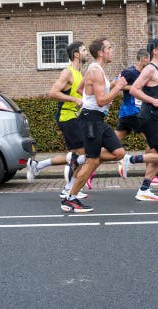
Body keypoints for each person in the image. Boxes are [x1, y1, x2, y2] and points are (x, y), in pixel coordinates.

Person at [61, 38, 127, 213]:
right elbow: (101, 101)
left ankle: (79, 159)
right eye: (109, 48)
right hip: (90, 120)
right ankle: (71, 199)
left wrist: (100, 98)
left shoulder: (97, 71)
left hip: (97, 119)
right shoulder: (96, 71)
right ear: (101, 52)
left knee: (119, 153)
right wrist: (117, 88)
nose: (112, 50)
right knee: (93, 161)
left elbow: (80, 91)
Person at [27, 42, 92, 199]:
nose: (87, 53)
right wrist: (74, 100)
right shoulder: (67, 73)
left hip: (76, 118)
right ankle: (69, 188)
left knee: (76, 156)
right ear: (76, 54)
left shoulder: (79, 74)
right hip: (68, 117)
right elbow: (53, 93)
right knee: (83, 156)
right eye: (84, 50)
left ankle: (38, 165)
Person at [120, 38, 158, 202]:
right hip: (149, 118)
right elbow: (133, 90)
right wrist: (153, 101)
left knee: (156, 156)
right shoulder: (150, 69)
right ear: (155, 51)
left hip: (155, 116)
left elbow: (157, 96)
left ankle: (144, 189)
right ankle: (130, 159)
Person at [115, 49, 158, 186]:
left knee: (111, 144)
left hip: (127, 115)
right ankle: (149, 176)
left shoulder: (144, 73)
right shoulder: (130, 72)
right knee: (152, 142)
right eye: (148, 59)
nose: (150, 63)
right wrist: (135, 87)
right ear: (144, 59)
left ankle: (88, 169)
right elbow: (114, 85)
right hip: (133, 113)